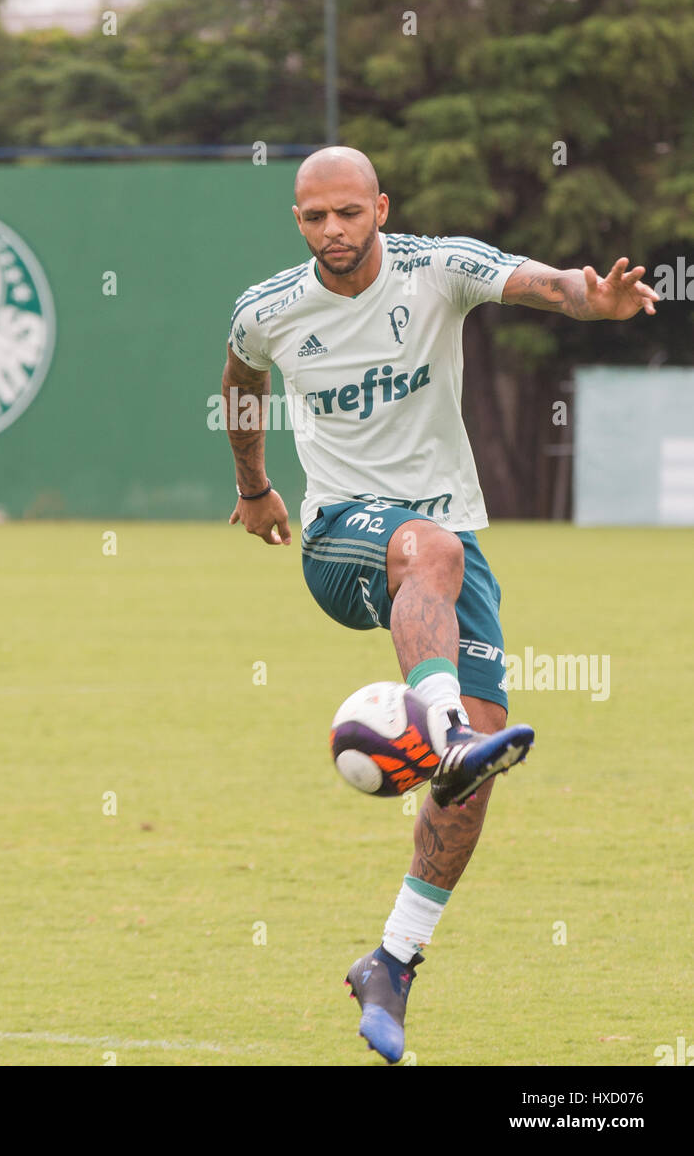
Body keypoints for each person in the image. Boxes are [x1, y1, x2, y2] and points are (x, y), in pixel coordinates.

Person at [223, 145, 659, 1064]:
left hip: (447, 552)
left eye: (349, 212)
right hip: (345, 536)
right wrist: (257, 486)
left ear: (380, 205)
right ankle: (446, 725)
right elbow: (242, 378)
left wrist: (594, 299)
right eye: (314, 218)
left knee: (476, 770)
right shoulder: (267, 311)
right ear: (297, 221)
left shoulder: (437, 268)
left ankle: (393, 958)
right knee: (431, 555)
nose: (333, 231)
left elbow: (539, 283)